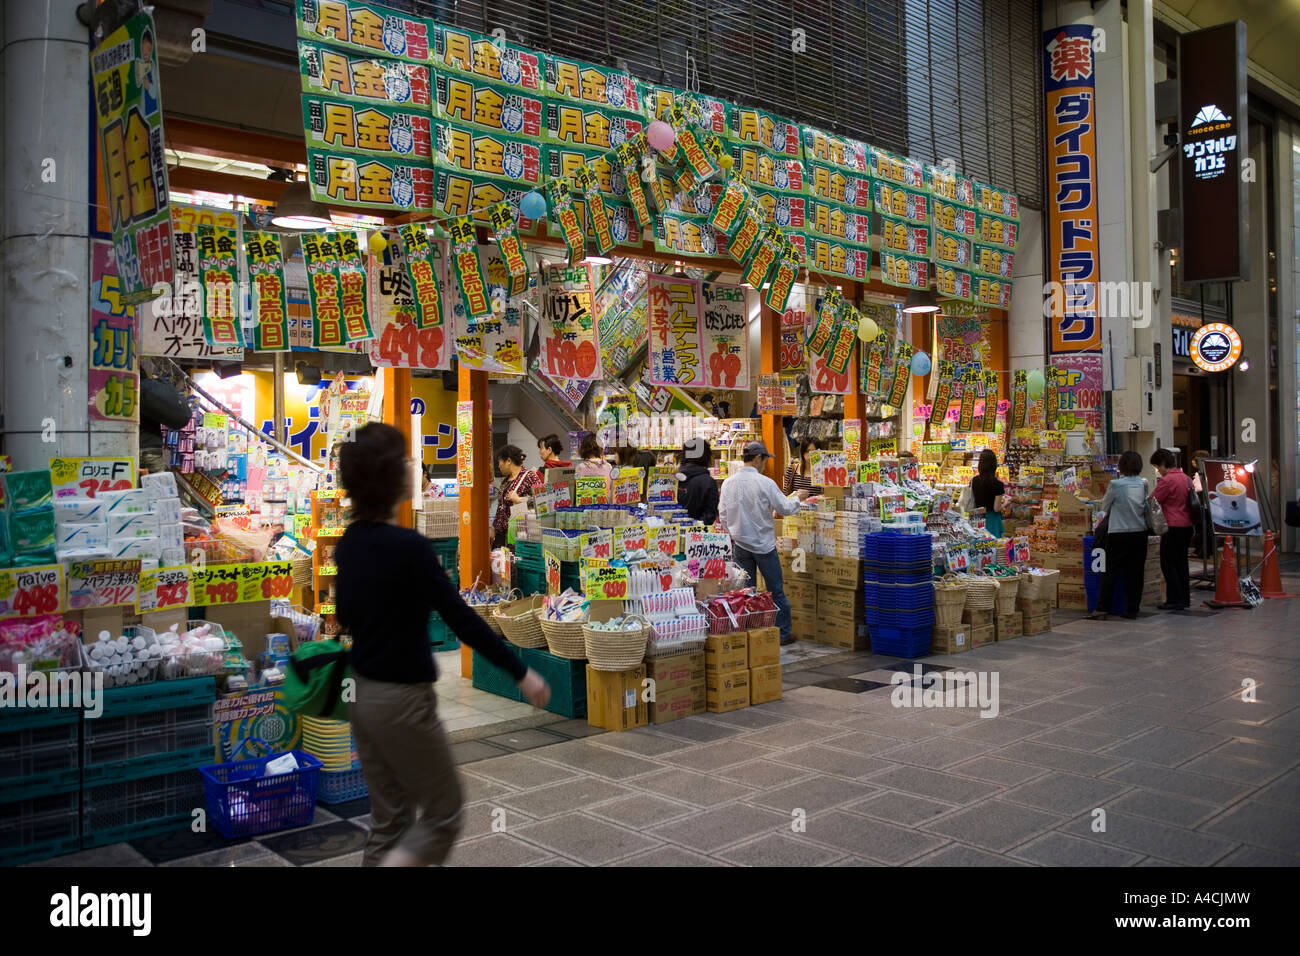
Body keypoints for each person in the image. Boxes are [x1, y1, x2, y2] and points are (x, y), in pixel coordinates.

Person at [336, 424, 550, 867]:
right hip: (404, 699)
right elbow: (462, 619)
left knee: (388, 819)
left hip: (361, 693)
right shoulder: (410, 547)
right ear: (394, 478)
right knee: (443, 812)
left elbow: (346, 617)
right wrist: (520, 671)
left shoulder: (349, 544)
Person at [718, 441, 809, 645]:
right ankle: (783, 633)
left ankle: (750, 630)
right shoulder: (765, 483)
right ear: (758, 458)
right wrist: (799, 498)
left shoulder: (727, 483)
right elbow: (785, 508)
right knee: (775, 589)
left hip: (739, 543)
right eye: (765, 459)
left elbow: (723, 515)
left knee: (746, 592)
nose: (766, 464)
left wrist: (734, 532)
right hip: (764, 545)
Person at [1088, 450, 1150, 621]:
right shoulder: (1144, 483)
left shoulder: (1116, 485)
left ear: (1122, 465)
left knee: (1110, 571)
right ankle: (1132, 609)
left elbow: (1104, 507)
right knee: (1136, 573)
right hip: (1140, 532)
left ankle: (1102, 608)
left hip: (1118, 533)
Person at [1151, 448, 1194, 610]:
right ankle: (1184, 598)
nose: (1158, 471)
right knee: (1182, 562)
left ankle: (1174, 599)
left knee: (1168, 563)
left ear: (1163, 464)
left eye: (1157, 467)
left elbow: (1153, 500)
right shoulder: (1186, 478)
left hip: (1172, 526)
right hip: (1187, 525)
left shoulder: (1167, 481)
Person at [139, 367, 193, 478]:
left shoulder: (118, 389)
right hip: (151, 449)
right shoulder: (148, 389)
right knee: (157, 490)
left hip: (125, 449)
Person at [492, 444, 540, 550]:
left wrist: (520, 500)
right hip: (502, 534)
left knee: (514, 563)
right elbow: (501, 507)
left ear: (508, 461)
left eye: (500, 461)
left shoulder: (530, 476)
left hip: (520, 533)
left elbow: (541, 501)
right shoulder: (505, 481)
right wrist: (494, 527)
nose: (499, 465)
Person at [676, 439, 718, 524]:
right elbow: (709, 517)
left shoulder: (671, 478)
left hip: (671, 533)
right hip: (697, 534)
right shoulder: (708, 482)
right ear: (706, 456)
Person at [968, 449, 1008, 538]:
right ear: (994, 465)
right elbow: (996, 508)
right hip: (992, 520)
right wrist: (1006, 503)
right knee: (993, 546)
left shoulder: (974, 480)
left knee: (979, 545)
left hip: (977, 518)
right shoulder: (998, 484)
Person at [575, 433, 614, 499]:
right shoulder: (608, 466)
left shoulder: (580, 467)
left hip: (586, 505)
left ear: (583, 449)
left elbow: (577, 489)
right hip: (605, 505)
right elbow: (611, 488)